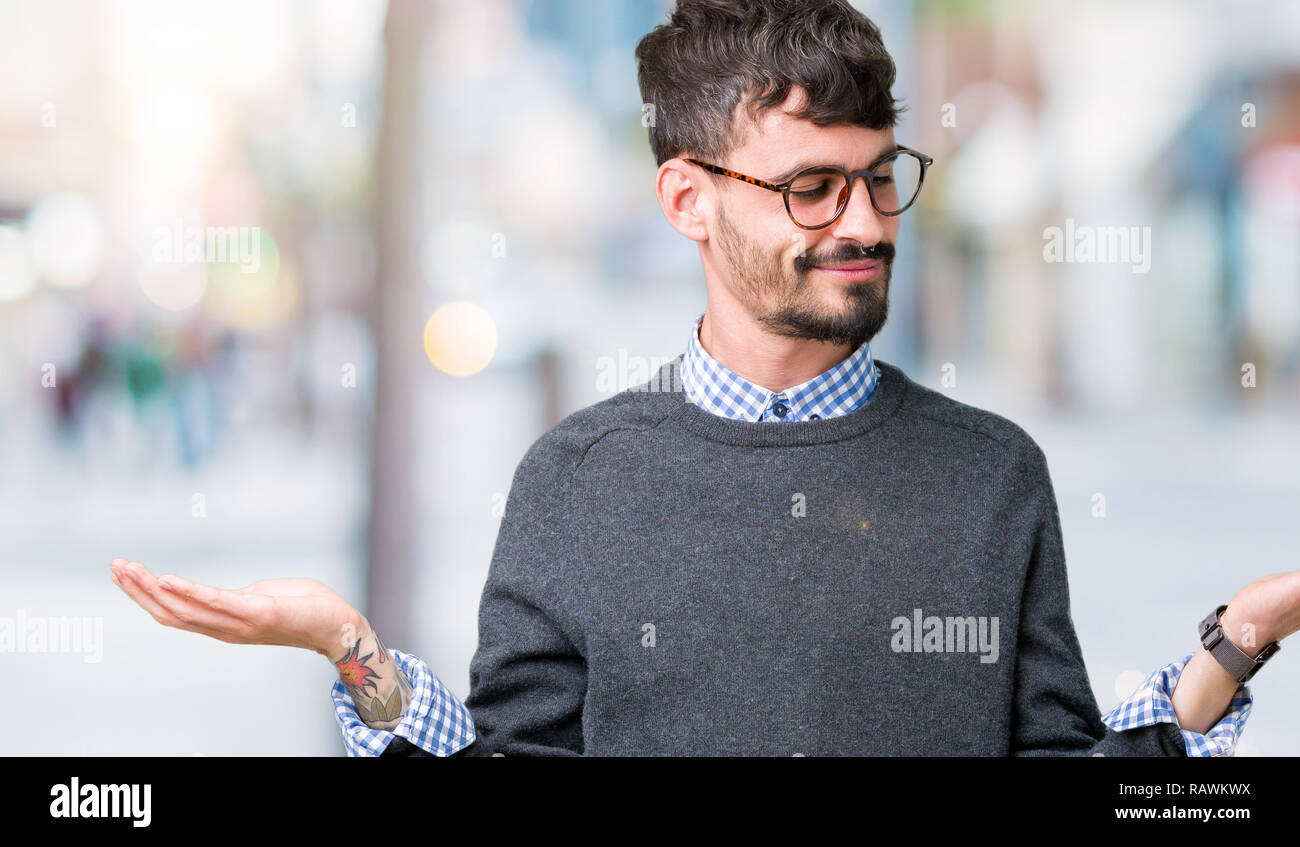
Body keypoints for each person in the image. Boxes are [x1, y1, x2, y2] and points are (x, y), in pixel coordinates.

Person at [109, 0, 1299, 757]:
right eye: (811, 187)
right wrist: (352, 650)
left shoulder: (994, 471)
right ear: (687, 197)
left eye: (880, 177)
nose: (867, 221)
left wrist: (1241, 636)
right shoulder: (575, 478)